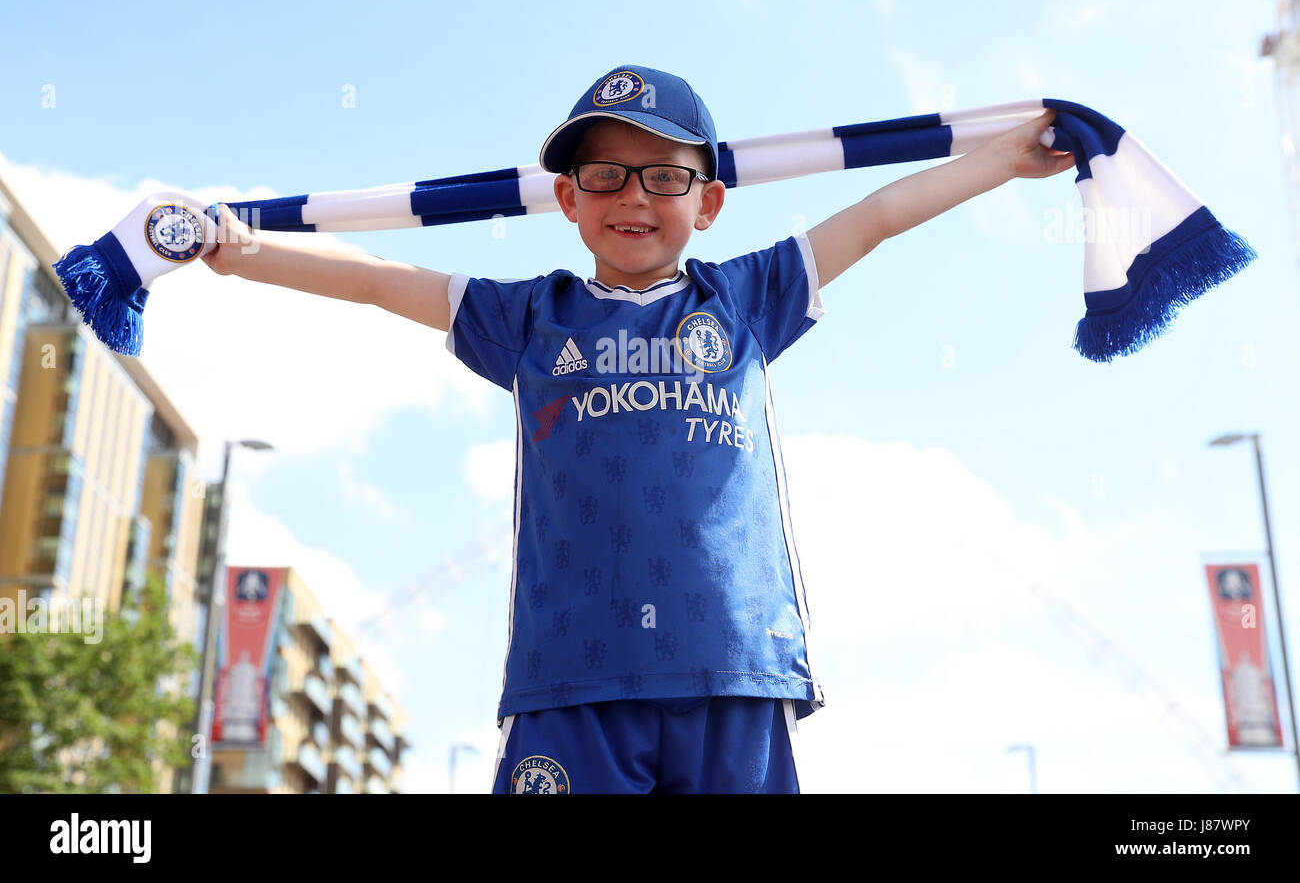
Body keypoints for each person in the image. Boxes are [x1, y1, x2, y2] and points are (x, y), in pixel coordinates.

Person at [202, 64, 1073, 793]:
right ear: (568, 200)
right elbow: (377, 280)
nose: (635, 196)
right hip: (572, 675)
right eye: (607, 176)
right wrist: (240, 251)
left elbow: (880, 214)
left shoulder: (746, 299)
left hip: (732, 669)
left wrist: (1002, 159)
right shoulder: (529, 318)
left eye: (664, 175)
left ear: (710, 203)